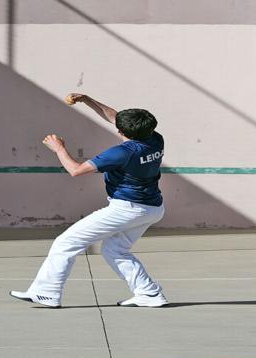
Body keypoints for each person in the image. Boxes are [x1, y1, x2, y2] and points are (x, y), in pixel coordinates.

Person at [10, 92, 169, 309]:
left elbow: (76, 170)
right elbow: (115, 117)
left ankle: (46, 292)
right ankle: (149, 294)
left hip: (127, 208)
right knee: (115, 250)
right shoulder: (155, 138)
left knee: (66, 243)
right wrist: (87, 100)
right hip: (153, 207)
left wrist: (59, 148)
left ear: (122, 132)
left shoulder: (121, 153)